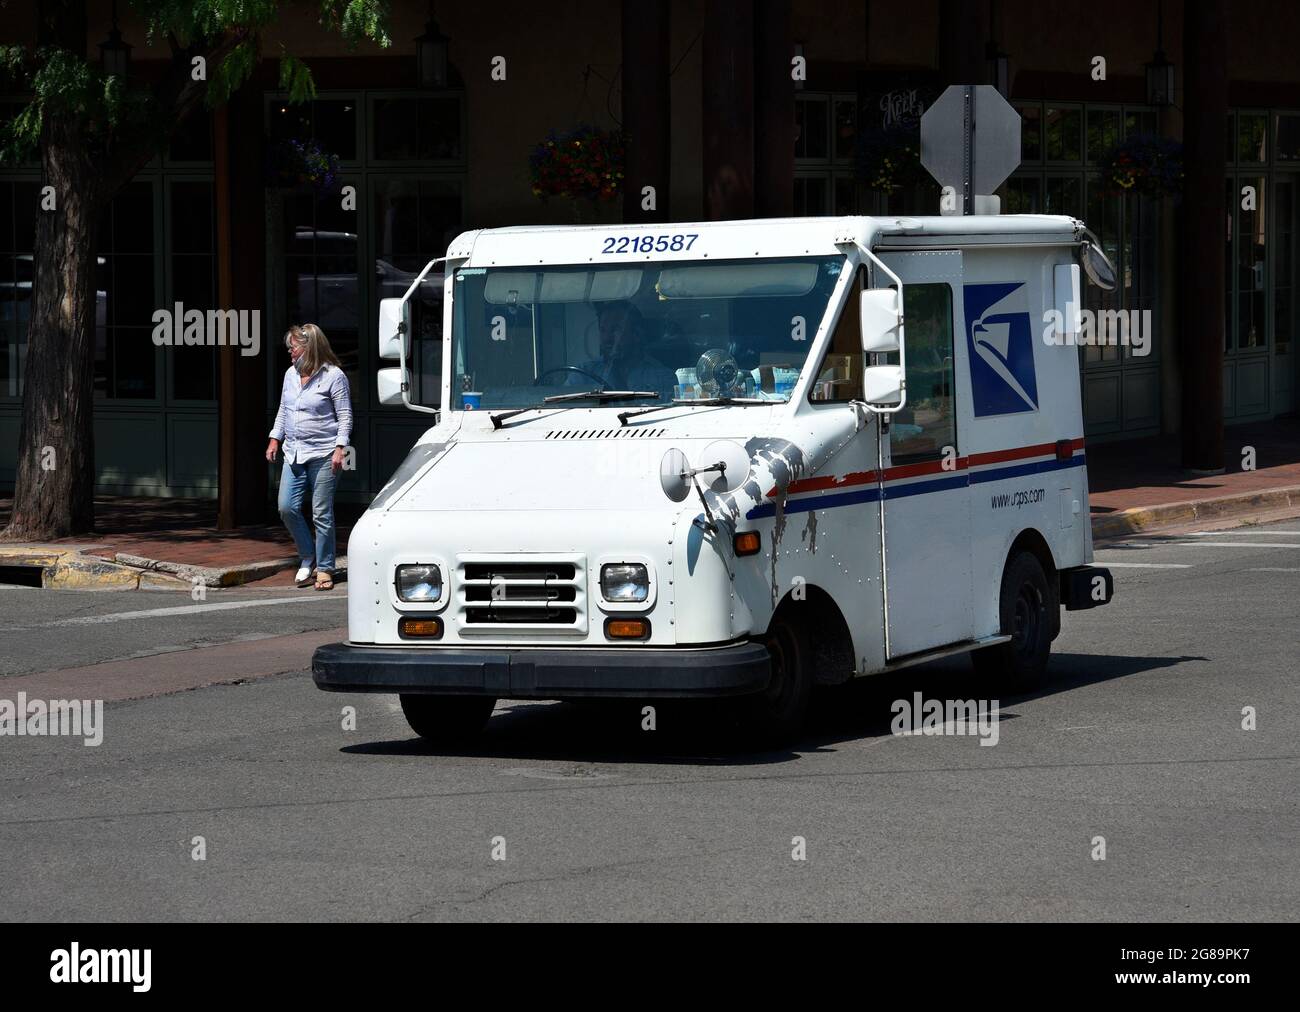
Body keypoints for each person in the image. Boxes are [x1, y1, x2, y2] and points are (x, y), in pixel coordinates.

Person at [265, 323, 353, 591]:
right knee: (286, 507)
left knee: (321, 512)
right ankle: (307, 555)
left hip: (325, 453)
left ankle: (325, 568)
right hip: (293, 452)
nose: (290, 352)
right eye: (289, 348)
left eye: (294, 347)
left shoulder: (334, 376)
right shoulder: (290, 375)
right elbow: (284, 409)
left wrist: (341, 448)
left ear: (309, 347)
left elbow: (345, 416)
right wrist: (274, 438)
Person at [569, 301, 677, 398]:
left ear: (636, 334)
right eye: (603, 330)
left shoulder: (662, 377)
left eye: (616, 329)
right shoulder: (582, 375)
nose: (607, 338)